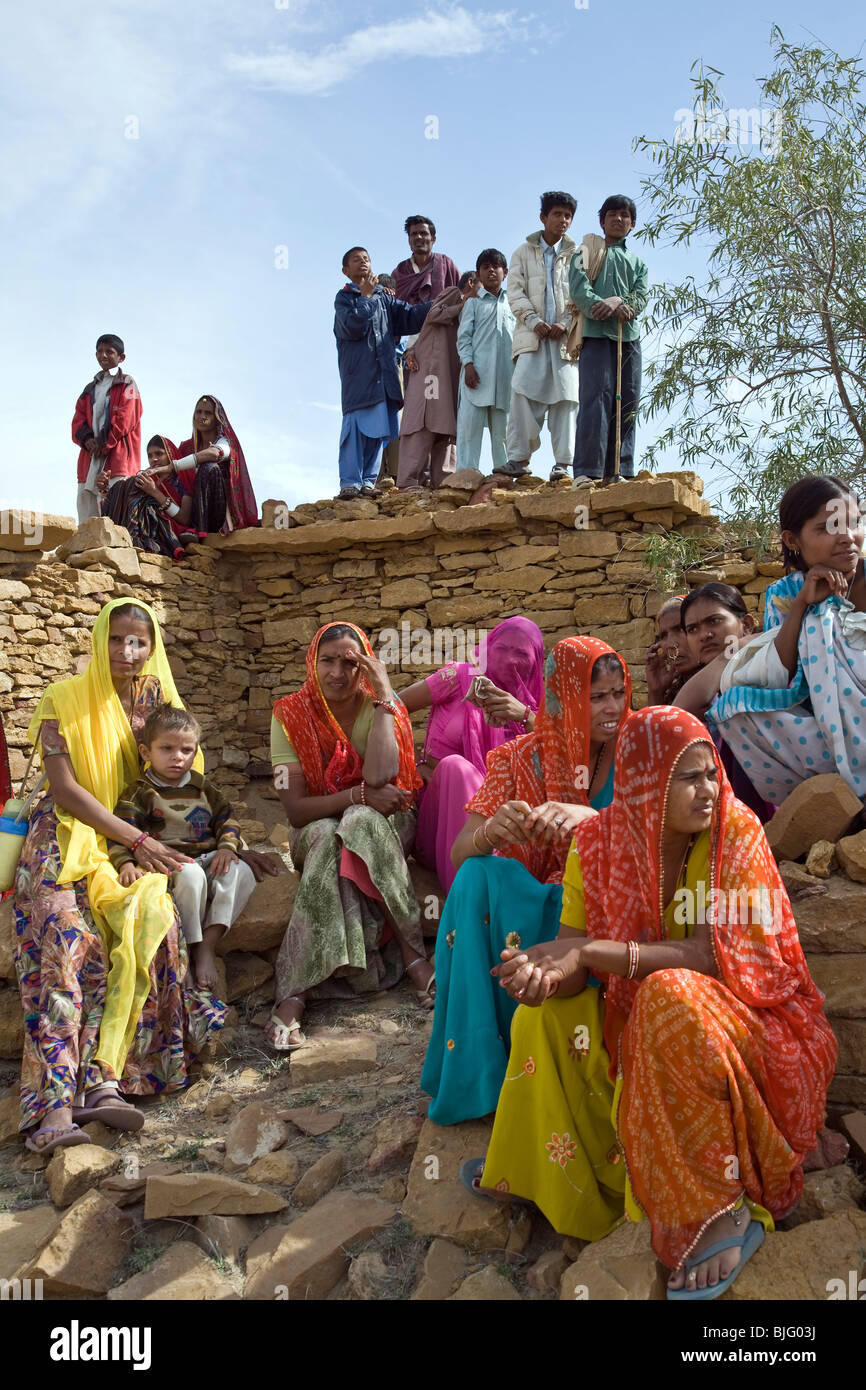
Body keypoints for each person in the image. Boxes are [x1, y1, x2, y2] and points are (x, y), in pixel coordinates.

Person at [469, 707, 837, 1300]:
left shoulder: (734, 834)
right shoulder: (595, 842)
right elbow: (571, 952)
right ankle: (549, 1175)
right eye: (689, 778)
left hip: (753, 1023)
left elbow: (710, 957)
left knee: (668, 998)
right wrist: (546, 972)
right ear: (644, 783)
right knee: (547, 1016)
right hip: (641, 1017)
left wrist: (590, 951)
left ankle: (718, 1207)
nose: (710, 790)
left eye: (711, 773)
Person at [13, 599, 228, 1154]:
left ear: (153, 647)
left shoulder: (159, 703)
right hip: (65, 835)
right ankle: (54, 1106)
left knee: (149, 920)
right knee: (66, 937)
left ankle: (110, 1079)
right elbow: (65, 791)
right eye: (116, 639)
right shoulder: (64, 698)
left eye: (139, 642)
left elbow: (186, 779)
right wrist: (136, 841)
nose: (127, 653)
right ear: (98, 640)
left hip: (130, 836)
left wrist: (214, 843)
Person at [420, 637, 632, 1125]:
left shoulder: (637, 751)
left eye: (618, 693)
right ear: (561, 699)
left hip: (608, 905)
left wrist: (592, 819)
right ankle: (481, 1078)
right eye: (596, 696)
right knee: (476, 874)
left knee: (560, 891)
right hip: (540, 901)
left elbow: (660, 834)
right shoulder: (519, 759)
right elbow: (459, 850)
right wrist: (490, 832)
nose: (612, 708)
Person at [265, 623, 433, 1051]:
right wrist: (358, 794)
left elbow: (381, 777)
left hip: (387, 823)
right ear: (312, 663)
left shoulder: (380, 704)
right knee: (328, 831)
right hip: (317, 826)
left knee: (359, 820)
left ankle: (294, 997)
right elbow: (296, 810)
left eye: (350, 662)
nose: (337, 672)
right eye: (328, 661)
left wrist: (383, 695)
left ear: (365, 667)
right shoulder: (289, 715)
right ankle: (412, 962)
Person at [709, 475, 866, 803]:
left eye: (854, 523)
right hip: (821, 730)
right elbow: (779, 677)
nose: (847, 538)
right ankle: (830, 796)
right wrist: (803, 606)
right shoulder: (785, 594)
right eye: (826, 528)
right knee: (735, 707)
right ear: (793, 540)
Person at [108, 705, 256, 992]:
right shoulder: (139, 792)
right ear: (145, 752)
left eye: (187, 750)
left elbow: (228, 819)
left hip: (208, 857)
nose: (178, 757)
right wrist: (125, 864)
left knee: (242, 872)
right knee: (191, 876)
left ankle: (207, 947)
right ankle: (187, 949)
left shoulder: (204, 787)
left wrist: (227, 847)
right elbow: (121, 832)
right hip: (170, 865)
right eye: (167, 748)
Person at [400, 617, 545, 892]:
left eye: (522, 653)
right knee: (456, 767)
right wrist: (407, 768)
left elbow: (565, 750)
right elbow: (394, 706)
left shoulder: (534, 707)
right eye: (502, 648)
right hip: (439, 829)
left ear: (535, 661)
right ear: (489, 647)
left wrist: (524, 715)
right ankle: (470, 898)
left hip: (504, 832)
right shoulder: (459, 677)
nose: (510, 659)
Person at [334, 248, 432, 500]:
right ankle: (349, 482)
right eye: (356, 259)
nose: (363, 262)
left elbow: (409, 316)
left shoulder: (384, 299)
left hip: (384, 378)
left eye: (366, 258)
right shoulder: (344, 299)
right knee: (355, 432)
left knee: (378, 433)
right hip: (358, 380)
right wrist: (366, 297)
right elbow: (353, 326)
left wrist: (440, 304)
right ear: (345, 270)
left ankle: (367, 481)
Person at [673, 584, 774, 822]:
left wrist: (732, 653)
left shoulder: (766, 671)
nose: (704, 634)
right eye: (693, 629)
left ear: (747, 625)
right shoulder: (711, 691)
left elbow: (678, 714)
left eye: (714, 621)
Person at [569, 195, 649, 484]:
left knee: (627, 401)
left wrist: (623, 304)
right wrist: (600, 306)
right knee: (595, 399)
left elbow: (641, 295)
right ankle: (587, 471)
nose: (618, 219)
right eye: (612, 214)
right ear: (601, 221)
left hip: (627, 338)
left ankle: (620, 469)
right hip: (595, 334)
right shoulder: (586, 252)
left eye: (624, 215)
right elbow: (578, 289)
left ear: (633, 224)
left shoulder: (637, 262)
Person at [503, 193, 579, 484]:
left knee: (566, 400)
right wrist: (534, 321)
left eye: (567, 216)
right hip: (531, 338)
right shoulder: (522, 252)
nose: (563, 221)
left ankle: (563, 464)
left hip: (564, 341)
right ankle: (519, 459)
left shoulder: (577, 254)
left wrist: (565, 322)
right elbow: (515, 292)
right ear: (543, 217)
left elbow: (579, 294)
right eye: (557, 214)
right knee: (523, 393)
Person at [397, 273, 474, 490]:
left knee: (447, 427)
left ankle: (443, 482)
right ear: (470, 283)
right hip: (432, 375)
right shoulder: (454, 294)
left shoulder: (475, 307)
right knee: (425, 422)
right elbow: (434, 315)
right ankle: (409, 480)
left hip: (450, 376)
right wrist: (460, 305)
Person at [456, 250, 515, 473]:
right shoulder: (473, 303)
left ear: (505, 272)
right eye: (485, 267)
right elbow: (463, 339)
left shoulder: (514, 303)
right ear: (478, 274)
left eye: (496, 266)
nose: (491, 270)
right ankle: (466, 475)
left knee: (504, 432)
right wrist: (468, 365)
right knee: (469, 430)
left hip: (505, 377)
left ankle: (504, 476)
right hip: (476, 376)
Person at [72, 334, 142, 523]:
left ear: (121, 358)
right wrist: (88, 441)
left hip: (118, 457)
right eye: (100, 351)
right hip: (91, 457)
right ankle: (87, 550)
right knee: (87, 508)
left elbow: (126, 419)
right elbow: (77, 422)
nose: (103, 355)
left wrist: (105, 442)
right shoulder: (89, 389)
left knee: (118, 508)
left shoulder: (127, 382)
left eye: (109, 352)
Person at [174, 397, 255, 534]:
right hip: (188, 509)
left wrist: (173, 465)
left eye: (208, 413)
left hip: (218, 514)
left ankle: (199, 530)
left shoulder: (226, 442)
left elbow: (214, 453)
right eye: (198, 412)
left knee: (209, 467)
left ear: (217, 418)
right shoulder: (186, 448)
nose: (202, 417)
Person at [101, 436, 188, 559]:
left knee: (135, 487)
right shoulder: (148, 477)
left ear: (171, 454)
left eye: (159, 454)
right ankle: (118, 537)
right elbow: (126, 502)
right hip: (147, 523)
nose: (154, 459)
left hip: (169, 528)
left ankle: (133, 539)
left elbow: (184, 519)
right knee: (124, 485)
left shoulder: (183, 481)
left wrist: (154, 492)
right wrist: (105, 488)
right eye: (150, 455)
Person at [391, 215, 460, 308]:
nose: (418, 237)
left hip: (440, 322)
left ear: (433, 239)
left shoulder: (446, 264)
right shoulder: (400, 271)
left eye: (423, 233)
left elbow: (463, 293)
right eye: (414, 234)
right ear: (409, 240)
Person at [644, 595, 699, 705]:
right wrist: (656, 692)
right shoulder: (674, 694)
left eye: (679, 629)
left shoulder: (727, 686)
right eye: (664, 636)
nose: (671, 644)